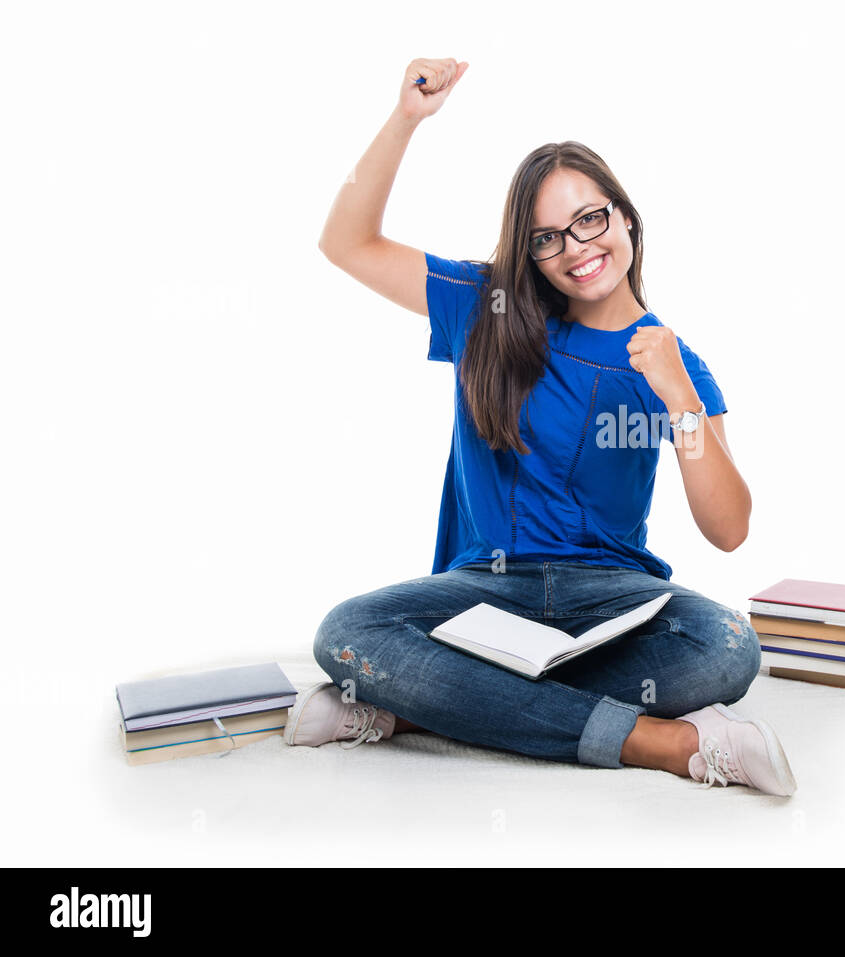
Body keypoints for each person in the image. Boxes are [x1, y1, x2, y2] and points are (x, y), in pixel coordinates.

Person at [284, 57, 796, 795]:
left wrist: (681, 402)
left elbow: (729, 529)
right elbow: (346, 243)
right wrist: (406, 119)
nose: (577, 248)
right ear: (528, 252)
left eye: (590, 218)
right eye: (547, 237)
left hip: (614, 601)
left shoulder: (674, 362)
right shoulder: (484, 305)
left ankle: (422, 709)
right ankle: (664, 742)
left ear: (625, 217)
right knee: (345, 634)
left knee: (727, 648)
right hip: (483, 593)